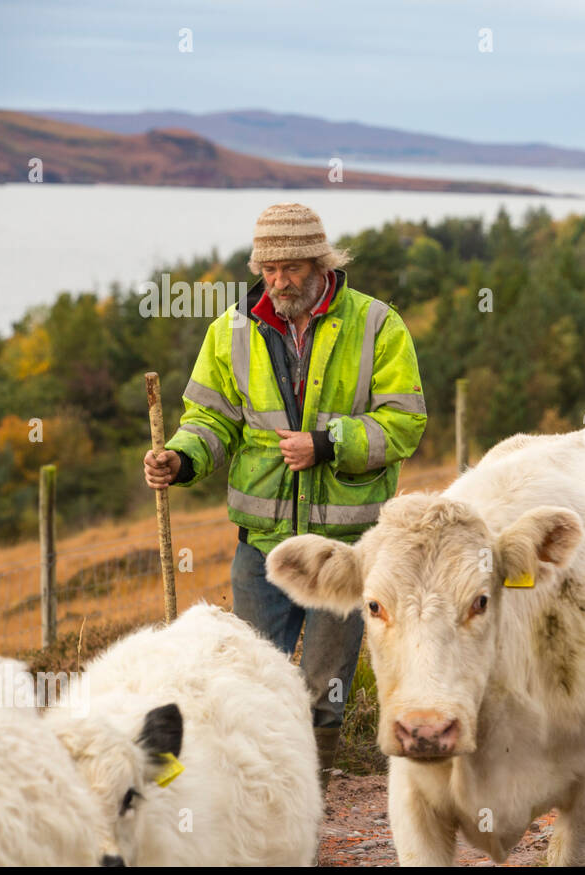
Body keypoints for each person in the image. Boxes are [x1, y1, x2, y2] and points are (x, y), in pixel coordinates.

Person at [143, 203, 428, 789]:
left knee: (325, 691)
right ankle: (256, 804)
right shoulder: (229, 330)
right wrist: (182, 457)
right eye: (268, 269)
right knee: (249, 686)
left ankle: (310, 808)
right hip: (260, 547)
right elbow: (210, 420)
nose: (278, 281)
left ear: (322, 263)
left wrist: (328, 443)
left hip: (344, 548)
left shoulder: (378, 324)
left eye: (292, 268)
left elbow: (405, 422)